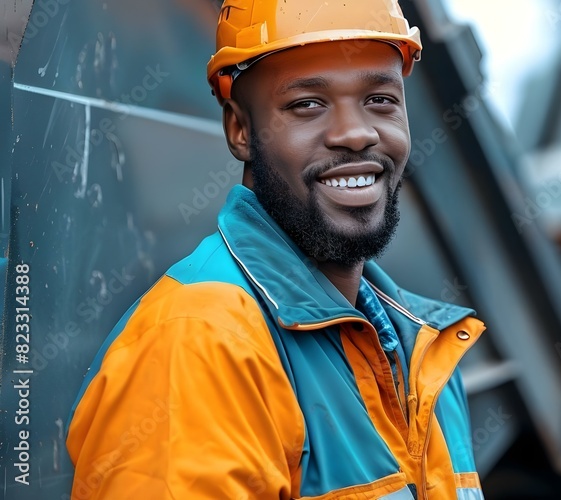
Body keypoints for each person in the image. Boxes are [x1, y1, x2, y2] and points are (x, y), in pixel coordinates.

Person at [65, 1, 486, 498]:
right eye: (308, 104)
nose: (356, 133)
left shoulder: (425, 352)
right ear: (240, 131)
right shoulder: (202, 344)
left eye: (380, 100)